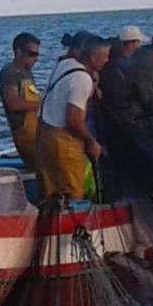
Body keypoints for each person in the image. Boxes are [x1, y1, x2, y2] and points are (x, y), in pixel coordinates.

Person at [36, 35, 110, 201]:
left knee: (49, 192)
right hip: (64, 141)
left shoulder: (65, 65)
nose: (107, 60)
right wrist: (91, 142)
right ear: (92, 57)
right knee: (72, 192)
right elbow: (73, 119)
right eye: (105, 56)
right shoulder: (82, 79)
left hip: (44, 134)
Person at [0, 32, 42, 170]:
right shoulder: (9, 72)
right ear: (18, 52)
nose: (35, 59)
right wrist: (43, 104)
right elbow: (13, 103)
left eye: (37, 55)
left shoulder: (27, 73)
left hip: (37, 131)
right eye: (32, 54)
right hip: (25, 133)